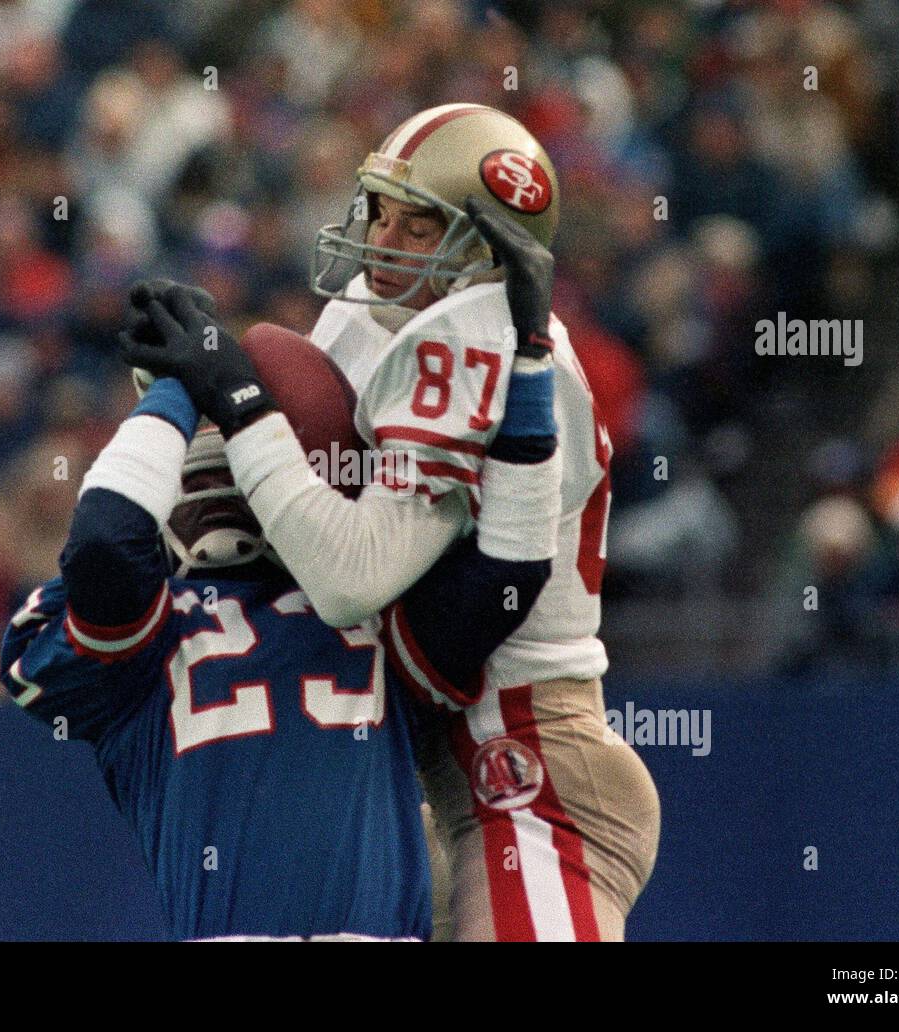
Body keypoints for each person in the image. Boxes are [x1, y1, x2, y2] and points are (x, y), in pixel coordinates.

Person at [129, 104, 660, 940]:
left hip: (522, 765)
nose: (385, 238)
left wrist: (239, 400)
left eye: (420, 227)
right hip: (424, 767)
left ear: (489, 256)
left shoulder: (481, 336)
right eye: (382, 208)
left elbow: (348, 579)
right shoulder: (378, 309)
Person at [0, 284, 563, 940]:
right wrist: (190, 384)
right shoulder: (168, 628)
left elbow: (512, 575)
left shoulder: (361, 596)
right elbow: (105, 546)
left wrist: (185, 386)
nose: (221, 497)